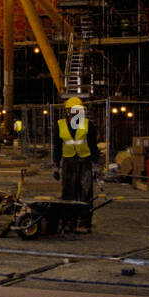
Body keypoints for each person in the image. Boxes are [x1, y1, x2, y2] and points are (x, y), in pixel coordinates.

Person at [52, 96, 100, 229]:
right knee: (68, 193)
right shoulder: (60, 125)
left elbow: (93, 146)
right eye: (74, 110)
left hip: (85, 162)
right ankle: (68, 221)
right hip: (68, 162)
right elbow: (57, 147)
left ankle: (84, 223)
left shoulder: (87, 125)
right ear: (68, 111)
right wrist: (56, 166)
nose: (77, 113)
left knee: (86, 192)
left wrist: (96, 165)